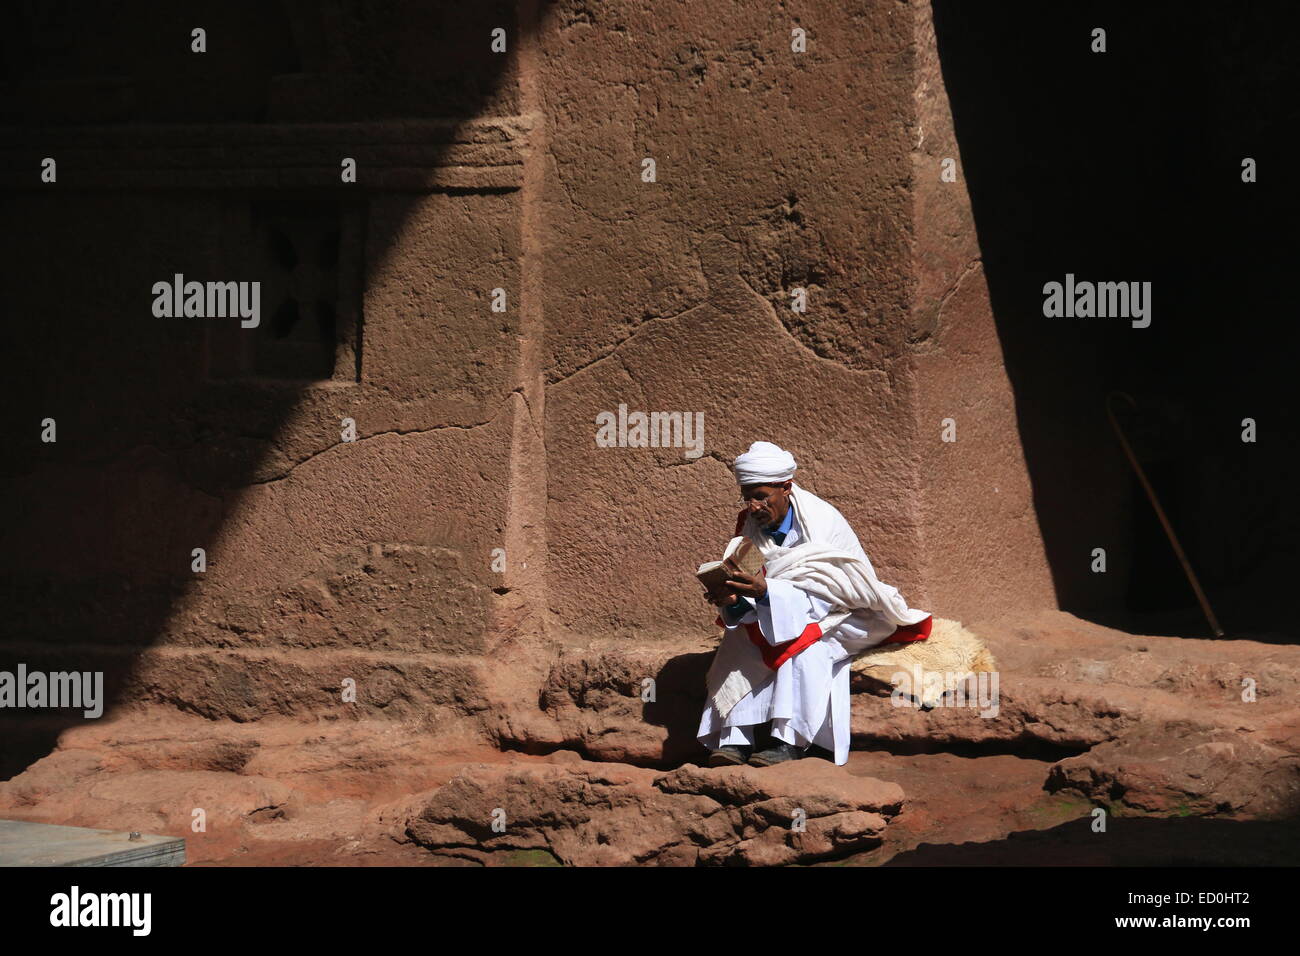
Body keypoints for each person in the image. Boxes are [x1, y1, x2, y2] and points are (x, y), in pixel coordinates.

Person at [697, 441, 933, 767]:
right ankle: (734, 739)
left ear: (786, 487)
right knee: (736, 639)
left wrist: (766, 593)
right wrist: (733, 600)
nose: (753, 506)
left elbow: (827, 594)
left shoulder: (821, 524)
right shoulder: (750, 525)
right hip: (782, 609)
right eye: (747, 497)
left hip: (847, 613)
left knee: (804, 645)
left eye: (761, 496)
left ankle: (789, 741)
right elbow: (754, 586)